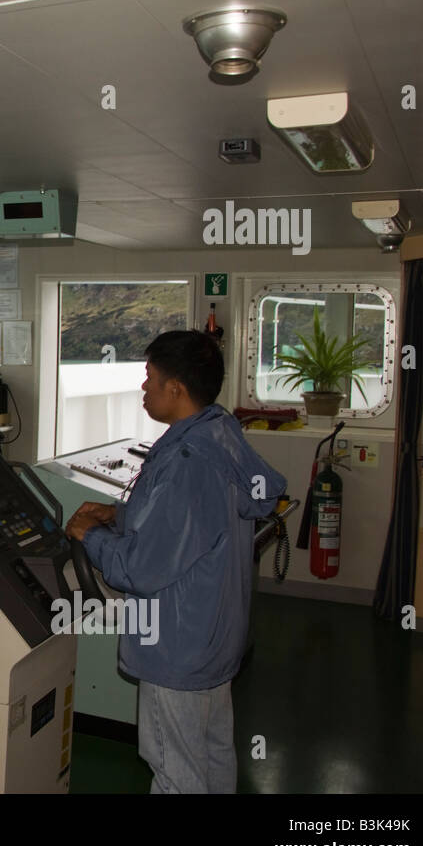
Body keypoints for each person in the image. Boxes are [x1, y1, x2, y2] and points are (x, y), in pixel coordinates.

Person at [65, 330, 285, 793]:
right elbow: (193, 526)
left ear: (175, 389)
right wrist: (119, 514)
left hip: (176, 646)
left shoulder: (187, 462)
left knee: (174, 769)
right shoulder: (218, 434)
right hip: (212, 638)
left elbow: (142, 569)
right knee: (211, 753)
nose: (143, 389)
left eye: (149, 379)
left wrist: (91, 536)